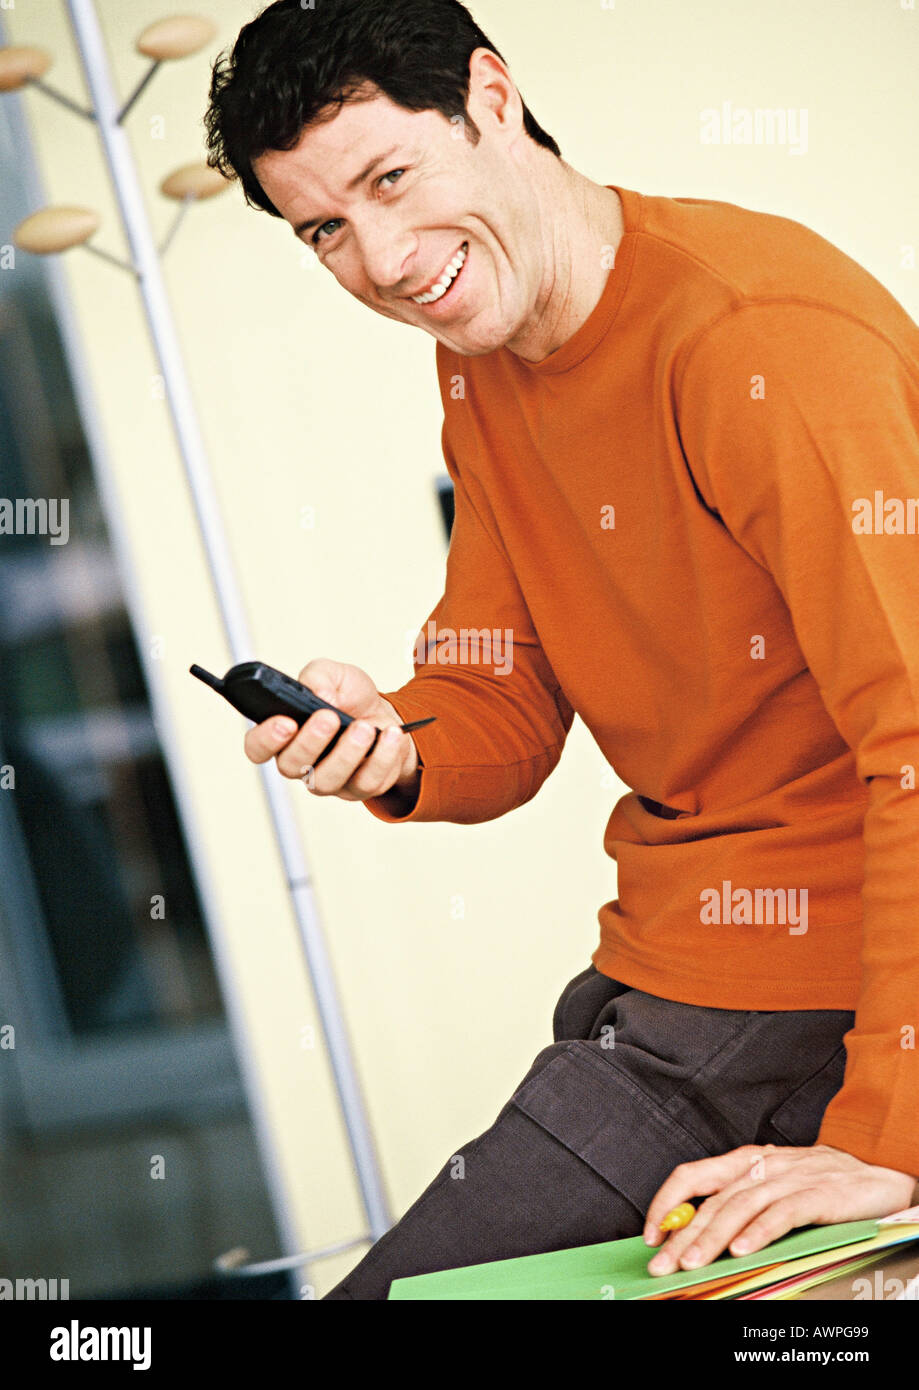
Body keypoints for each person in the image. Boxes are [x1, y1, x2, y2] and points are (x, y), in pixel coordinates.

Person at [205, 0, 919, 1300]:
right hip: (655, 988)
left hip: (814, 1004)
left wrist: (888, 1134)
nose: (381, 257)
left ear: (489, 96)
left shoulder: (756, 340)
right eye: (326, 228)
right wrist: (388, 746)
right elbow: (499, 697)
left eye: (388, 177)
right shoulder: (483, 362)